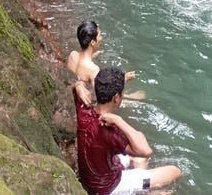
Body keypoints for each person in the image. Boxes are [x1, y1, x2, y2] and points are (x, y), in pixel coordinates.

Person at [74, 66, 182, 195]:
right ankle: (141, 190)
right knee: (175, 172)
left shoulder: (83, 110)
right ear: (116, 98)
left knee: (138, 158)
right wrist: (119, 120)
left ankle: (141, 185)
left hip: (95, 176)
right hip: (108, 188)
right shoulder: (111, 130)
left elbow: (78, 83)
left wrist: (78, 86)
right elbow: (146, 151)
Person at [68, 20, 144, 100]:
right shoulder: (93, 70)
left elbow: (81, 67)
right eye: (100, 35)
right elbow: (102, 98)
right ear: (93, 42)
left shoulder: (72, 55)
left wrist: (92, 55)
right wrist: (123, 81)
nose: (101, 38)